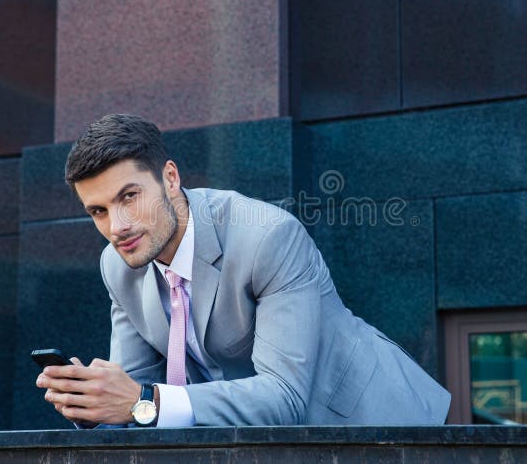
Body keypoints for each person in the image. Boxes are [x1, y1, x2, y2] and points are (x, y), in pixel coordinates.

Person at [36, 114, 450, 427]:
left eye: (129, 196)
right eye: (98, 211)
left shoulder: (267, 237)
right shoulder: (119, 265)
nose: (117, 226)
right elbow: (139, 397)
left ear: (171, 178)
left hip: (383, 426)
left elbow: (284, 397)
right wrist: (91, 402)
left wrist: (140, 400)